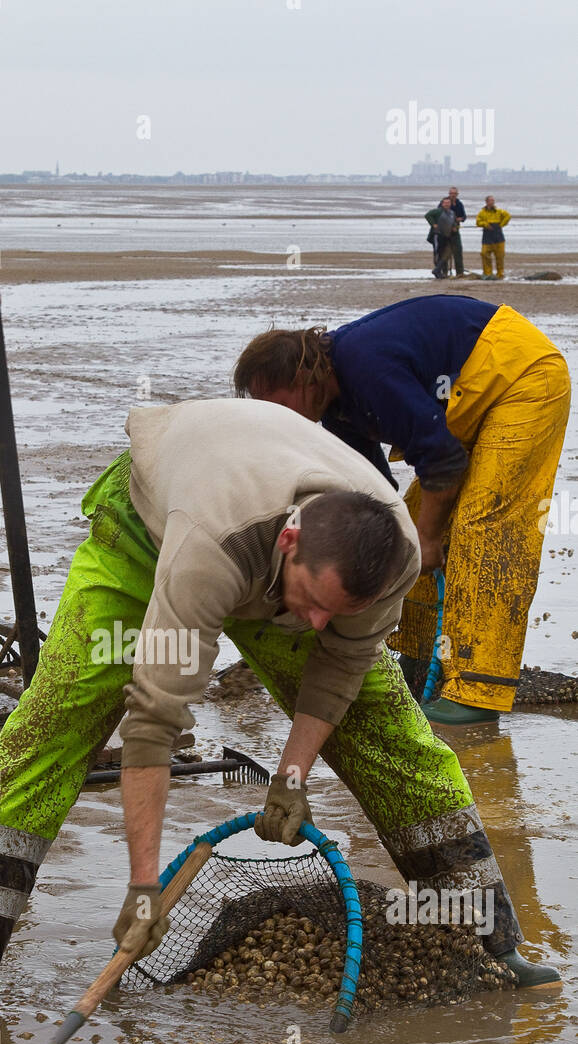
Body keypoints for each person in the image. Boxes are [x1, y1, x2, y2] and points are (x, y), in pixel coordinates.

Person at [0, 397, 557, 1020]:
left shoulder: (389, 561)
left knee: (392, 735)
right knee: (54, 722)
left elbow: (339, 668)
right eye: (314, 602)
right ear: (291, 545)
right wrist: (144, 887)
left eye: (336, 612)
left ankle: (489, 941)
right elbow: (153, 720)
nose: (320, 622)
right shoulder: (207, 551)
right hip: (150, 540)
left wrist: (292, 774)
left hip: (272, 542)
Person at [233, 296, 570, 725]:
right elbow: (376, 497)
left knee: (484, 528)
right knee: (404, 532)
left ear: (303, 377)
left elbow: (442, 461)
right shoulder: (336, 409)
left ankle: (479, 690)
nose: (272, 418)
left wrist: (429, 539)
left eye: (274, 404)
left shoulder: (364, 366)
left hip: (523, 378)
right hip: (469, 400)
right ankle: (415, 665)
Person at [475, 195, 511, 279]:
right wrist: (485, 224)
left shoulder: (499, 211)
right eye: (490, 200)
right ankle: (488, 273)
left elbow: (508, 216)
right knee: (484, 253)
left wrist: (501, 225)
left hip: (498, 235)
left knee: (500, 256)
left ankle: (500, 274)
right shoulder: (482, 212)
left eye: (493, 200)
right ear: (486, 202)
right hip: (487, 235)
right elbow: (478, 222)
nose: (492, 202)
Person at [425, 196, 456, 279]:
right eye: (445, 203)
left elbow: (453, 222)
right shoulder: (437, 211)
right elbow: (427, 215)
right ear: (442, 204)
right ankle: (438, 272)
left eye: (448, 203)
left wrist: (454, 227)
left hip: (447, 236)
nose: (447, 204)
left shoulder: (452, 213)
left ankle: (437, 269)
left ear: (450, 204)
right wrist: (433, 224)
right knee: (438, 253)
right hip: (437, 235)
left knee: (447, 253)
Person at [448, 186, 467, 276]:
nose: (453, 195)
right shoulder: (444, 202)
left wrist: (461, 219)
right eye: (451, 193)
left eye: (454, 194)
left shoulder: (459, 204)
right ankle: (444, 272)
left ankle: (460, 272)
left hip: (456, 230)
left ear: (457, 194)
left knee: (458, 251)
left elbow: (464, 216)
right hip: (445, 231)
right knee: (445, 253)